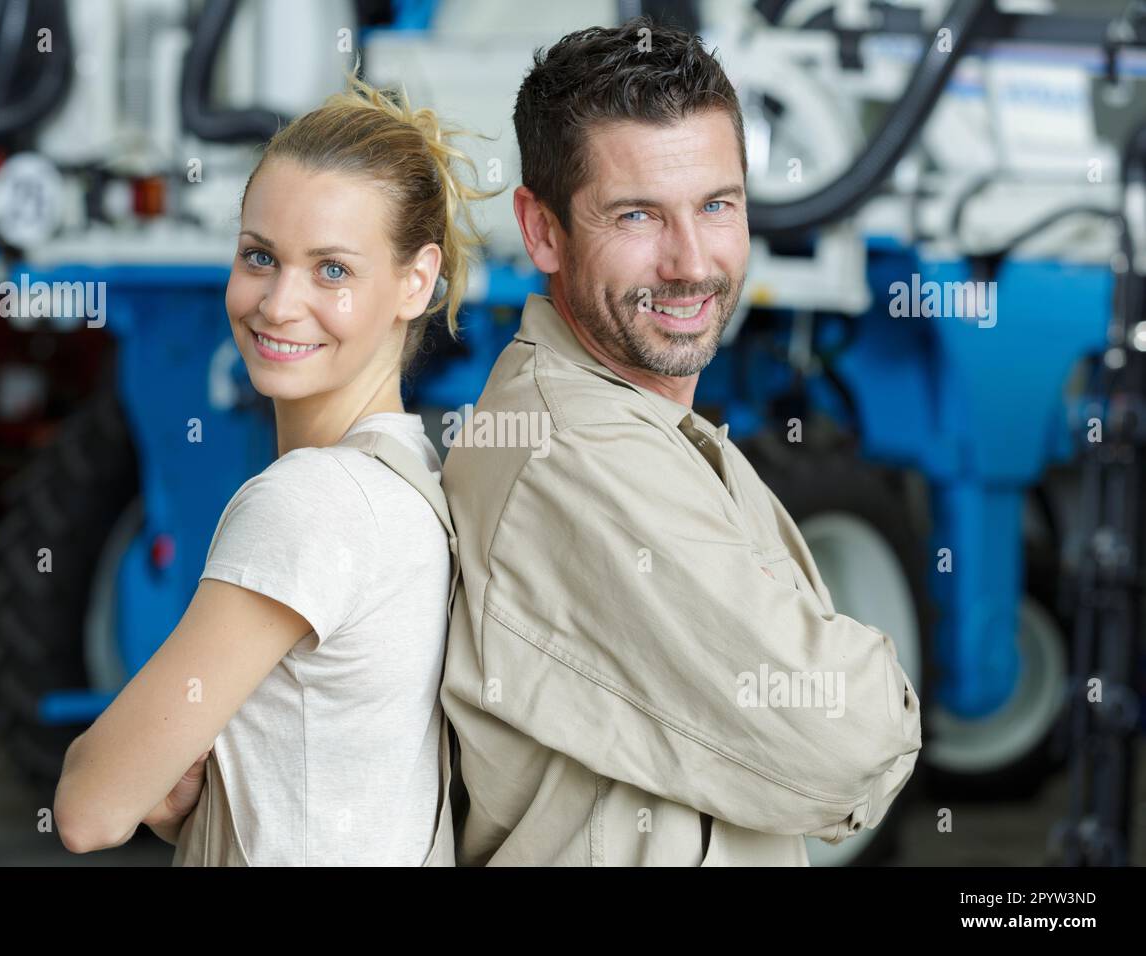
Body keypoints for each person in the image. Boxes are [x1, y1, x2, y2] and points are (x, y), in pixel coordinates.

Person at [438, 17, 923, 865]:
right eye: (637, 216)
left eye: (717, 205)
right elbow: (841, 743)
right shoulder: (578, 450)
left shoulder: (646, 422)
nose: (691, 262)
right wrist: (874, 696)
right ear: (543, 230)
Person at [53, 72, 492, 865]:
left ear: (416, 281)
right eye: (261, 257)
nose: (279, 303)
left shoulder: (309, 503)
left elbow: (88, 808)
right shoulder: (416, 478)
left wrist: (140, 775)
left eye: (332, 270)